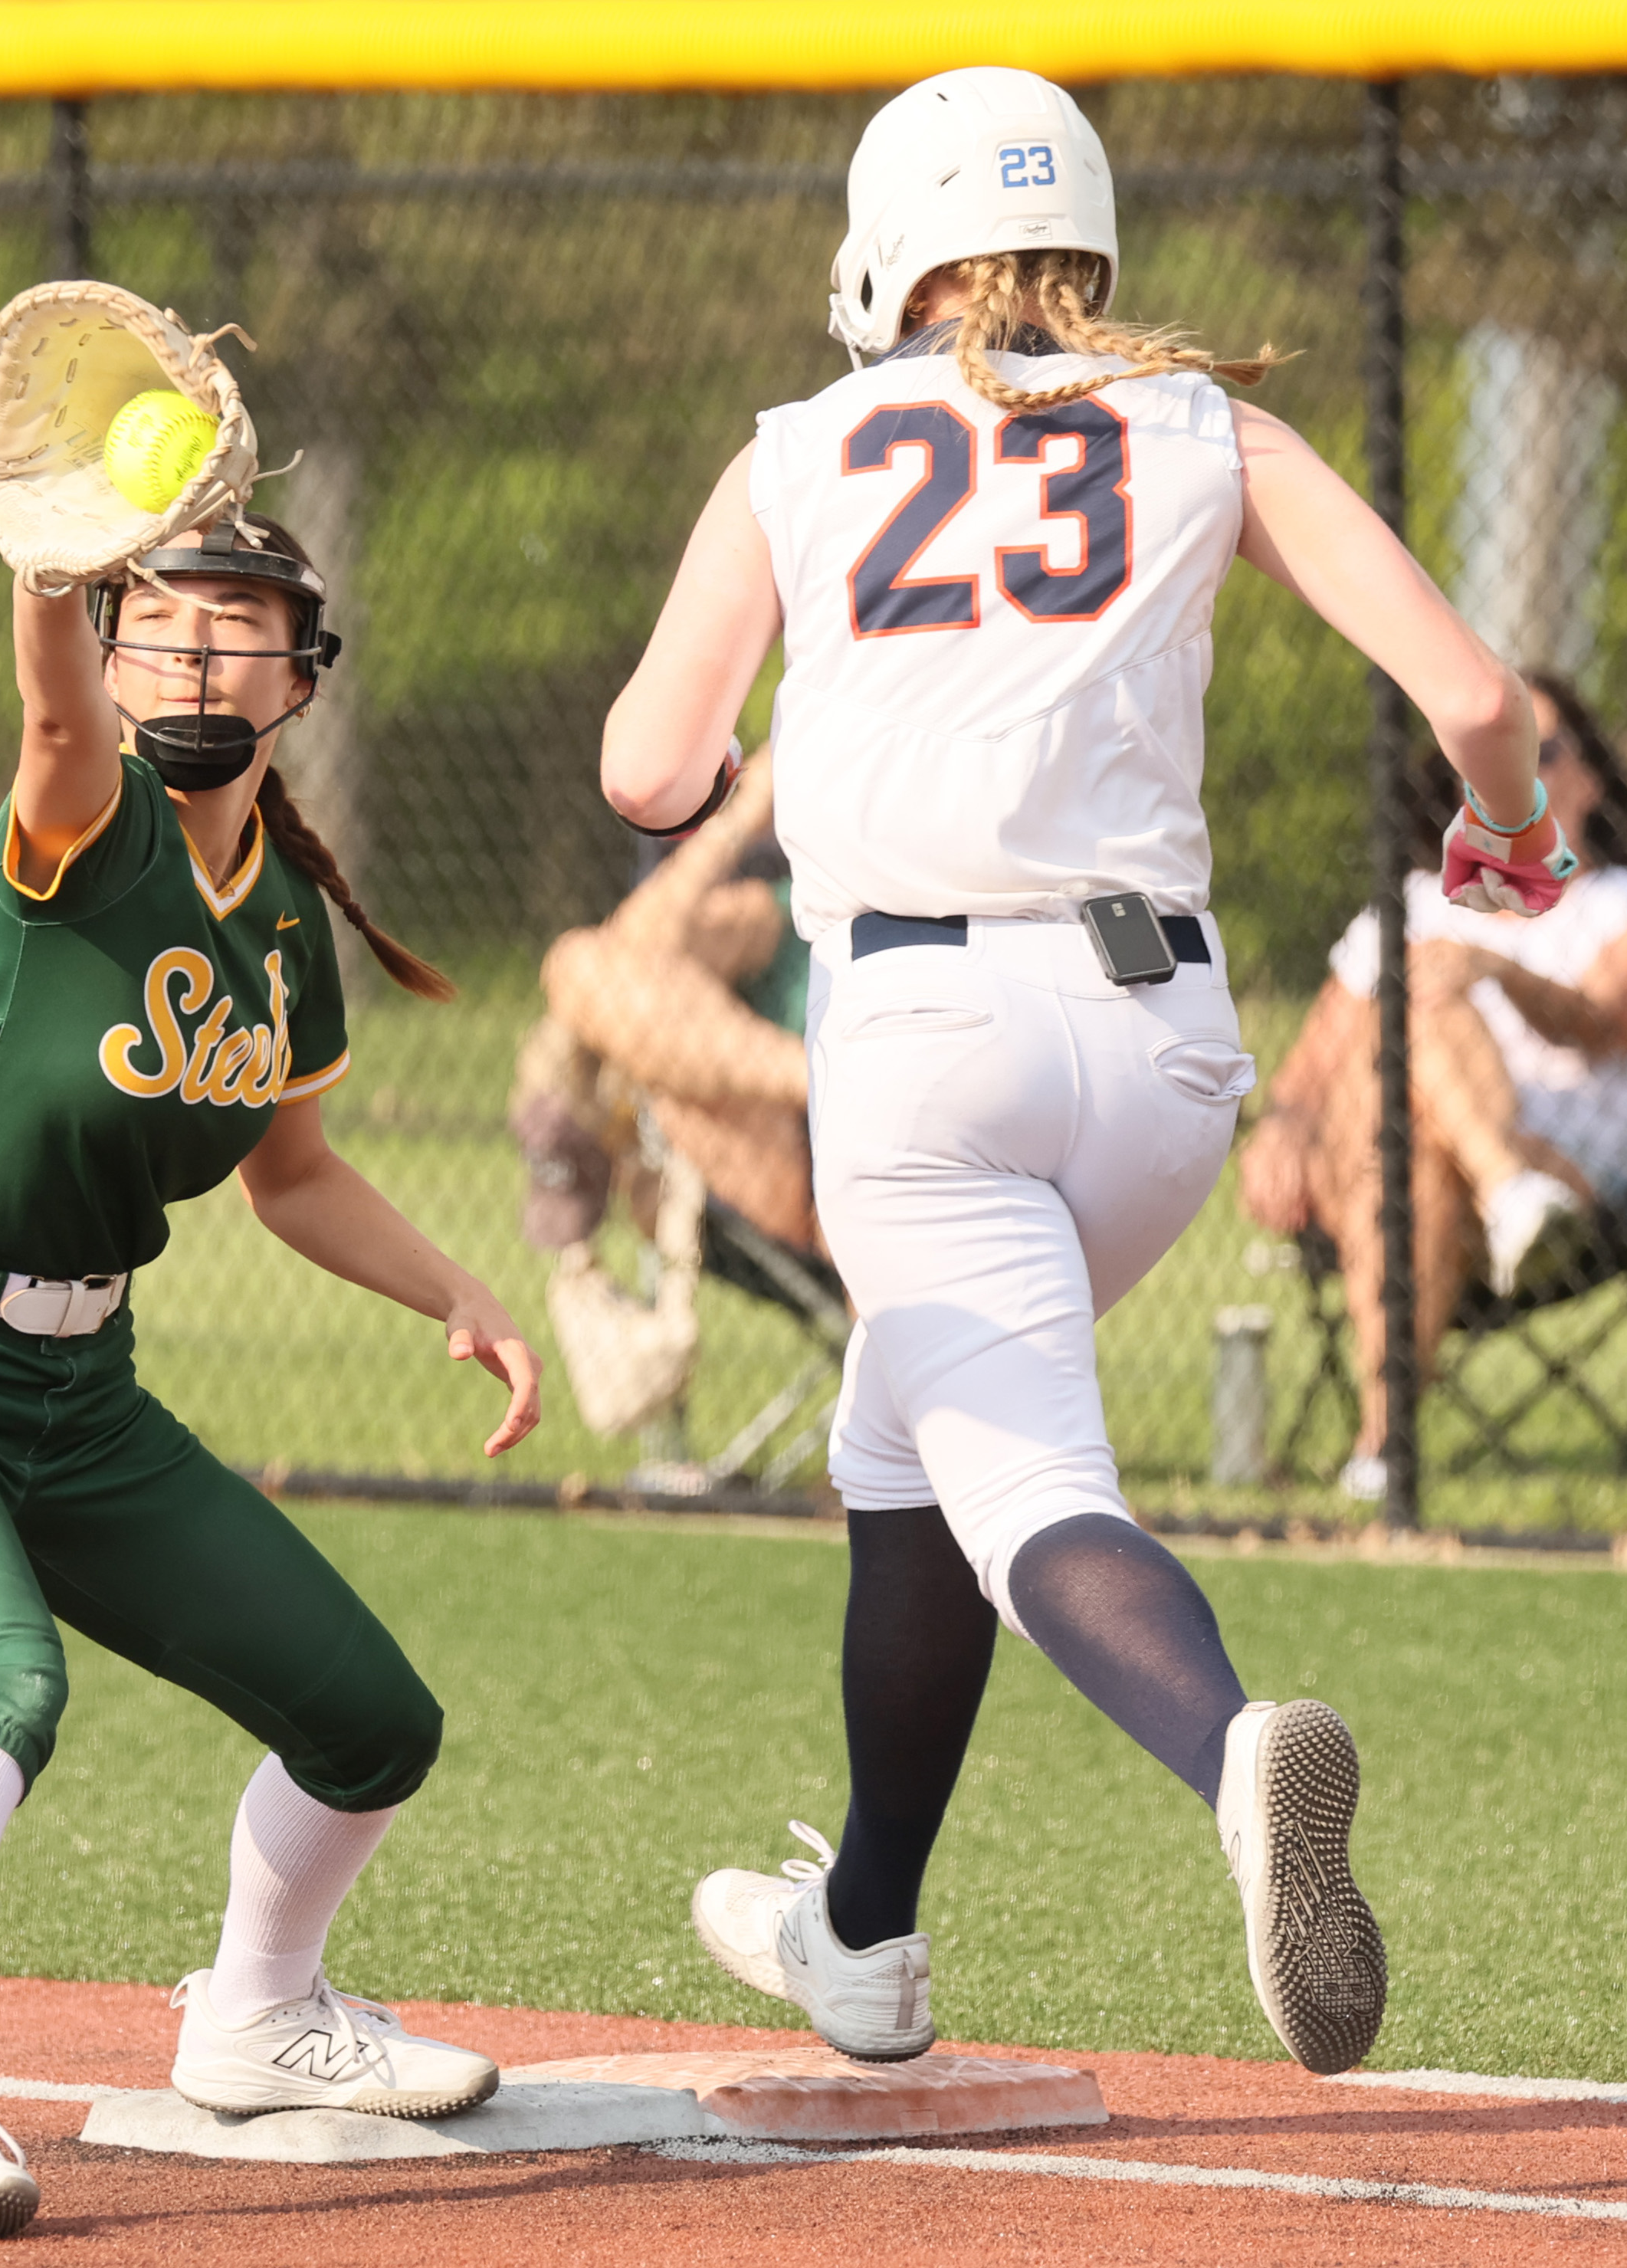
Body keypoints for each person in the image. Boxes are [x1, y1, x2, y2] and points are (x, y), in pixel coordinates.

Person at [602, 68, 1573, 2076]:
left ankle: (1230, 1753)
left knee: (1023, 1479)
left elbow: (641, 767)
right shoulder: (1209, 417)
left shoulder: (800, 446)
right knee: (903, 1451)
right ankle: (860, 1928)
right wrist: (1515, 843)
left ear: (884, 248)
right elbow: (1474, 695)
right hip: (1155, 1051)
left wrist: (723, 767)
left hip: (923, 1042)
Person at [0, 511, 542, 2238]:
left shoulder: (283, 932)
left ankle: (256, 2017)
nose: (194, 657)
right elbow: (43, 717)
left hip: (78, 1397)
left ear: (302, 677)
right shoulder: (83, 824)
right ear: (107, 660)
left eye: (237, 629)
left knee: (370, 1721)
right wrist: (51, 541)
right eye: (159, 626)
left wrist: (454, 1287)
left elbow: (295, 1174)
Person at [1240, 672, 1627, 1500]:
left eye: (1542, 747)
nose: (1513, 769)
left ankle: (1381, 1447)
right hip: (1405, 1169)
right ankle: (1507, 1196)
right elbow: (1308, 1073)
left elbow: (1601, 1023)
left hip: (1572, 1177)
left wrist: (1490, 969)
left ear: (1591, 777)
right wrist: (1278, 1128)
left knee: (1418, 1063)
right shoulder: (1418, 903)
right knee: (1411, 1062)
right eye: (1489, 753)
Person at [531, 743, 820, 1257]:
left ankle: (832, 1078)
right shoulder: (781, 919)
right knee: (578, 965)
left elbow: (633, 951)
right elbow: (629, 954)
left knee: (583, 971)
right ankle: (830, 1076)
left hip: (863, 1113)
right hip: (795, 1139)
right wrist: (745, 813)